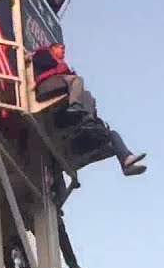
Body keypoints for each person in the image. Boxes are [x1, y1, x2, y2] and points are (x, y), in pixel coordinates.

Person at [31, 43, 146, 176]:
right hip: (46, 86)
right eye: (61, 48)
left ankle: (126, 161)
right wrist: (62, 67)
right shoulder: (43, 54)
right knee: (78, 81)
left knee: (109, 129)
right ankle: (75, 108)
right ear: (53, 48)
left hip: (66, 99)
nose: (63, 51)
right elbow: (44, 64)